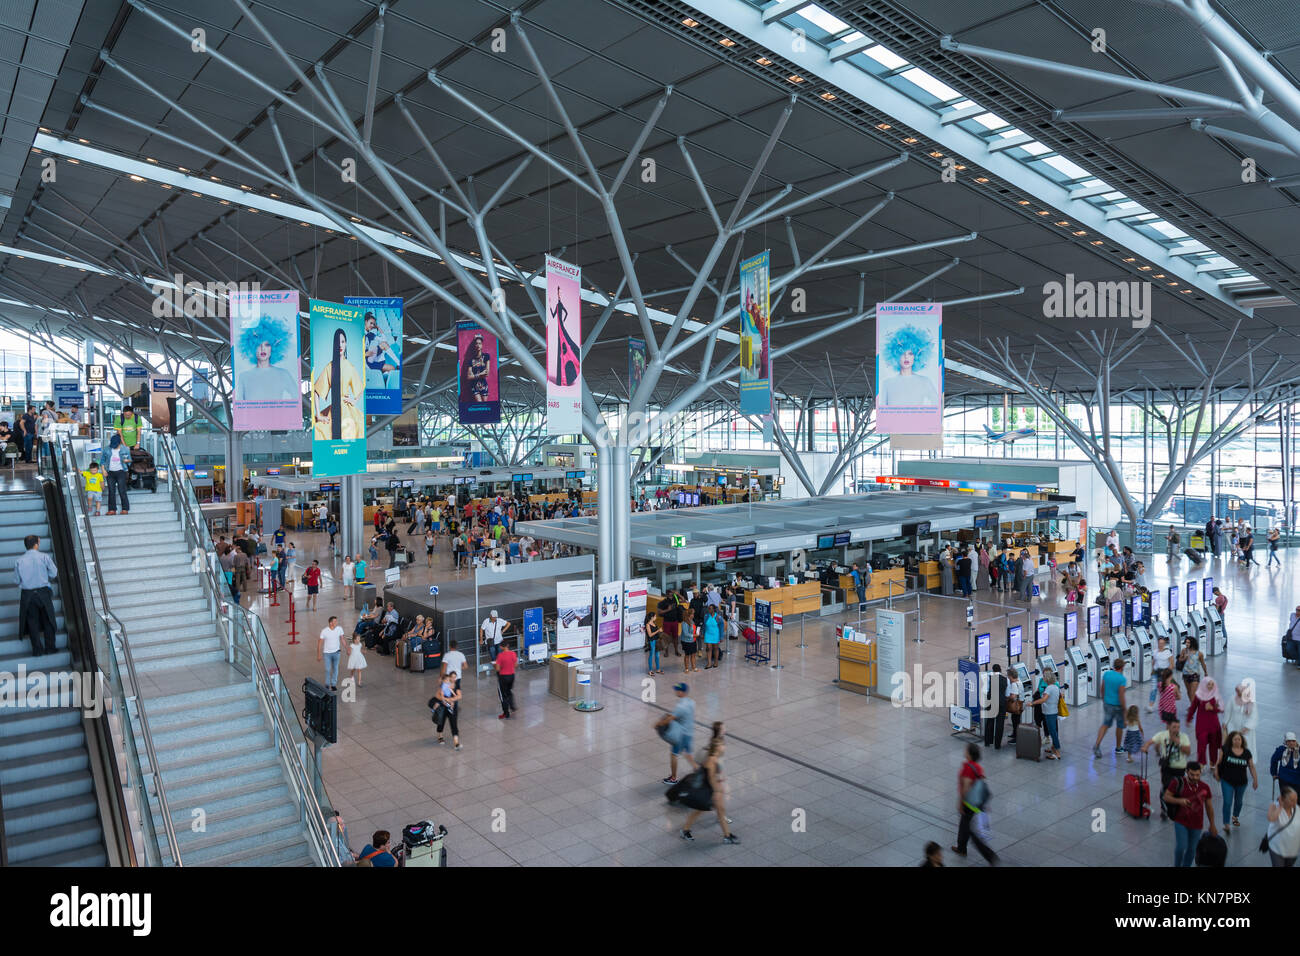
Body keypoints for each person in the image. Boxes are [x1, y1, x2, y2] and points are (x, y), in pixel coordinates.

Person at [679, 730, 739, 845]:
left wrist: (720, 779)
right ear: (717, 747)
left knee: (706, 810)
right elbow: (711, 778)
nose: (724, 747)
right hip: (712, 790)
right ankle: (727, 836)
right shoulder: (712, 760)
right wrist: (717, 791)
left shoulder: (713, 758)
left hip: (713, 789)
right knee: (717, 811)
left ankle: (686, 830)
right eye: (723, 745)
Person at [312, 327, 364, 441]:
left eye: (343, 341)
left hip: (347, 410)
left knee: (354, 431)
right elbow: (316, 390)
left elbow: (361, 387)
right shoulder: (329, 367)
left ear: (346, 344)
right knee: (319, 430)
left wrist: (354, 400)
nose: (340, 345)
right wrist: (318, 415)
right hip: (333, 411)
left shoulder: (350, 367)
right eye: (338, 342)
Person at [951, 743, 997, 864]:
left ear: (970, 755)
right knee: (964, 824)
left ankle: (989, 855)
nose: (964, 751)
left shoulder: (967, 768)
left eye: (966, 750)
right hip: (977, 802)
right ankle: (961, 847)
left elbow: (966, 787)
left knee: (970, 830)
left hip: (969, 803)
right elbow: (982, 784)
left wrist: (961, 802)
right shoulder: (978, 767)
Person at [1164, 761, 1217, 867]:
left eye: (1198, 775)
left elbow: (1209, 807)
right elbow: (1166, 797)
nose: (1195, 777)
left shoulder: (1205, 787)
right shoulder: (1178, 783)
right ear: (1187, 772)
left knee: (1192, 850)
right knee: (1181, 847)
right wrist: (1180, 801)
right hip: (1180, 821)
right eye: (1192, 774)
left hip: (1197, 824)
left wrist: (1212, 824)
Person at [15, 535, 58, 657]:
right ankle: (50, 648)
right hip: (43, 592)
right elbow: (54, 573)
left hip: (28, 595)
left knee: (32, 622)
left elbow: (16, 580)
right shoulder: (44, 557)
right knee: (48, 620)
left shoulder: (19, 561)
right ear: (36, 544)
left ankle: (37, 650)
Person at [1143, 718, 1192, 822]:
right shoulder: (1162, 735)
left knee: (1178, 789)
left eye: (1178, 727)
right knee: (1167, 786)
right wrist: (1146, 747)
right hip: (1167, 768)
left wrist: (1177, 742)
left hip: (1180, 768)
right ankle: (1164, 809)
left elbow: (1188, 752)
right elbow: (1151, 741)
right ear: (1168, 727)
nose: (1176, 729)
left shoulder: (1184, 737)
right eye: (1174, 727)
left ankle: (1175, 807)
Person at [1213, 730, 1257, 830]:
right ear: (1231, 740)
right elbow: (1218, 762)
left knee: (1239, 802)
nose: (1237, 741)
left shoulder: (1246, 753)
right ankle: (1226, 823)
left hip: (1241, 782)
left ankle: (1235, 816)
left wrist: (1255, 779)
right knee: (1227, 802)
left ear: (1242, 741)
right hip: (1226, 780)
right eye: (1235, 739)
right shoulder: (1225, 749)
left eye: (1239, 739)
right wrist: (1216, 772)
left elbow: (1251, 767)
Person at [656, 682, 697, 785]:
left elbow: (669, 719)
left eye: (677, 690)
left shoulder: (680, 706)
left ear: (682, 692)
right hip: (689, 732)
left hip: (681, 735)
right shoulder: (691, 702)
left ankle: (673, 778)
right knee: (688, 755)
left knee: (674, 755)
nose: (676, 691)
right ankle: (700, 772)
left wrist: (658, 724)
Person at [1091, 657, 1129, 758]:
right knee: (1120, 726)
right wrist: (1125, 708)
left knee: (1105, 724)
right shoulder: (1122, 679)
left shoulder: (1107, 674)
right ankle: (1118, 747)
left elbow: (1102, 688)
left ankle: (1097, 744)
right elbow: (1121, 695)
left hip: (1107, 703)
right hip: (1118, 706)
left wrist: (1104, 700)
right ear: (1122, 667)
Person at [1186, 676, 1224, 766]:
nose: (1210, 686)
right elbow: (1193, 708)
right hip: (1202, 725)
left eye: (1212, 684)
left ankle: (1213, 762)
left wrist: (1212, 708)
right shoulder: (1198, 696)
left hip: (1213, 725)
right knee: (1201, 745)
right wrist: (1188, 719)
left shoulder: (1216, 695)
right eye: (1208, 684)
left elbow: (1221, 709)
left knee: (1213, 745)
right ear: (1203, 684)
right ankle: (1201, 763)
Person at [1265, 786, 1300, 867]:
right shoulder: (1274, 806)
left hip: (1292, 850)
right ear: (1283, 799)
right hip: (1277, 848)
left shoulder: (1297, 809)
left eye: (1296, 799)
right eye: (1292, 800)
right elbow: (1271, 818)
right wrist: (1280, 806)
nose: (1295, 802)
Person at [1031, 671, 1063, 759]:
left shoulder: (1049, 688)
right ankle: (1053, 747)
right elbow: (1060, 696)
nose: (1043, 679)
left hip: (1049, 713)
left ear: (1047, 679)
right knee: (1053, 731)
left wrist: (1033, 703)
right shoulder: (1056, 687)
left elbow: (1043, 699)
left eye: (1044, 677)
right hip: (1054, 711)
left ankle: (1057, 752)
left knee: (1053, 732)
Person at [1222, 678, 1258, 756]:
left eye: (1239, 692)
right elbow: (1228, 711)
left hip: (1246, 730)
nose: (1237, 693)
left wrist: (1247, 727)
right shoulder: (1232, 699)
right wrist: (1225, 722)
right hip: (1233, 726)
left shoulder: (1251, 702)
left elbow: (1254, 716)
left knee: (1246, 746)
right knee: (1233, 744)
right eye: (1237, 691)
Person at [432, 671, 462, 750]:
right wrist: (445, 699)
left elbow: (459, 696)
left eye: (455, 677)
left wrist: (450, 699)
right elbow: (437, 695)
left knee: (454, 724)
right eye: (452, 677)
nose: (453, 679)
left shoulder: (456, 685)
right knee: (441, 721)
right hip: (443, 707)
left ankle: (456, 742)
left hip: (452, 708)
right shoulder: (444, 684)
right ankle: (440, 736)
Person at [104, 433, 130, 515]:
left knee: (122, 490)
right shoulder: (107, 449)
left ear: (120, 443)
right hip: (110, 473)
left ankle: (125, 508)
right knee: (111, 491)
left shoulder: (125, 449)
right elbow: (102, 461)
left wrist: (127, 461)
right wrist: (103, 470)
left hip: (121, 472)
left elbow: (130, 460)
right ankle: (112, 509)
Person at [983, 664, 1009, 750]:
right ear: (1000, 670)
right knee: (1000, 724)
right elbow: (1007, 694)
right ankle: (997, 745)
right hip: (1001, 703)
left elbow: (986, 691)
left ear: (993, 670)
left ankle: (987, 742)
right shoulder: (1005, 680)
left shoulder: (989, 678)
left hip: (991, 703)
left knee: (990, 722)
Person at [318, 615, 344, 692]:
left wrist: (347, 648)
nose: (336, 622)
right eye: (335, 621)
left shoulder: (339, 629)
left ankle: (333, 684)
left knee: (335, 669)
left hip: (337, 653)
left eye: (336, 621)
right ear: (330, 623)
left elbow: (342, 639)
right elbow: (319, 643)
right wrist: (319, 654)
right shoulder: (324, 631)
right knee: (328, 669)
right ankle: (327, 684)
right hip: (327, 654)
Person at [494, 640, 517, 720]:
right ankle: (513, 706)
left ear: (501, 647)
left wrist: (497, 665)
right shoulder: (513, 653)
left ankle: (506, 713)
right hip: (512, 676)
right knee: (509, 691)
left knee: (503, 696)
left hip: (503, 677)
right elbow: (515, 665)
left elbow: (497, 668)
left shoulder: (500, 656)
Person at [701, 605, 722, 669]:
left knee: (716, 648)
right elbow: (704, 625)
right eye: (708, 608)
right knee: (708, 648)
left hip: (716, 634)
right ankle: (709, 663)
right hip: (708, 634)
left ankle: (716, 662)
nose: (708, 610)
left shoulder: (718, 617)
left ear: (713, 610)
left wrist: (721, 637)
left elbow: (721, 627)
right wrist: (703, 633)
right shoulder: (706, 616)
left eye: (710, 609)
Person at [680, 607, 699, 674]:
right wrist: (694, 635)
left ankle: (694, 667)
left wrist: (696, 633)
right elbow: (685, 634)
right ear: (689, 615)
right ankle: (687, 668)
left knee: (693, 654)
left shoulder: (692, 621)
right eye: (692, 614)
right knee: (687, 655)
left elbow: (693, 630)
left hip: (693, 640)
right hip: (686, 641)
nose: (693, 615)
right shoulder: (684, 623)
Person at [645, 611, 664, 676]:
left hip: (657, 641)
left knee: (657, 655)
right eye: (655, 616)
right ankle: (650, 670)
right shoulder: (648, 625)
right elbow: (650, 635)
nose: (656, 617)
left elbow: (656, 631)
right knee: (651, 655)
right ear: (652, 617)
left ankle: (658, 669)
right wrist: (658, 631)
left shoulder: (654, 623)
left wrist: (659, 630)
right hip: (652, 641)